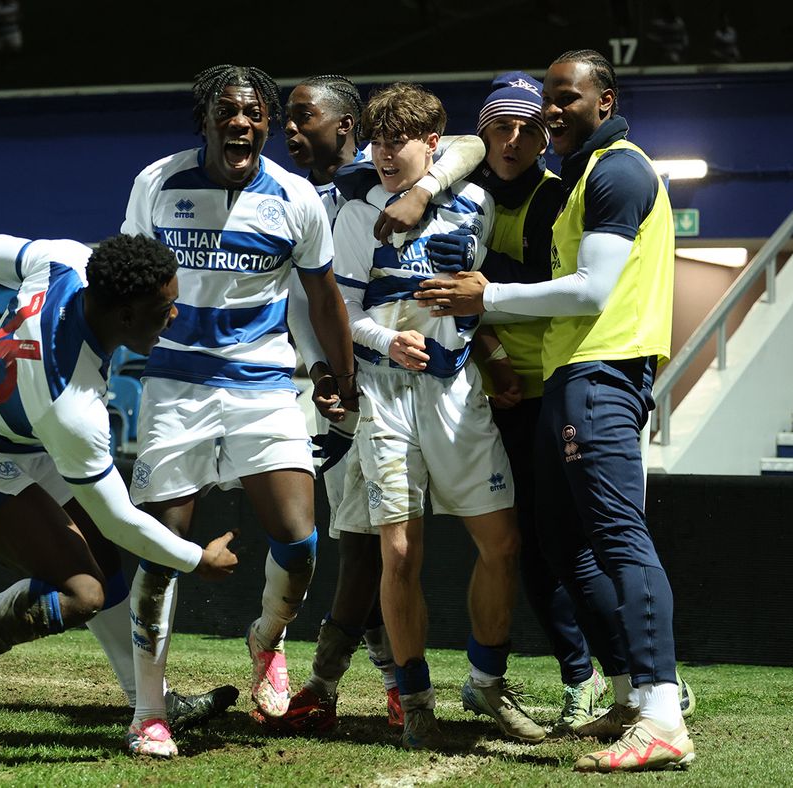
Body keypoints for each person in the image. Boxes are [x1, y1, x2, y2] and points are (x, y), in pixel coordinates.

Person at [415, 49, 694, 771]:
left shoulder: (620, 169)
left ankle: (663, 710)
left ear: (606, 100)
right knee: (564, 545)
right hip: (575, 375)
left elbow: (595, 289)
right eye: (549, 99)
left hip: (602, 372)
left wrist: (490, 299)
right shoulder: (580, 178)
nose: (553, 109)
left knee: (617, 538)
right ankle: (631, 692)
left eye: (568, 97)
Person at [0, 233, 240, 754]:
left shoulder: (67, 261)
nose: (176, 317)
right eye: (164, 309)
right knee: (81, 592)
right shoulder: (72, 405)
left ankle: (151, 701)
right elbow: (119, 519)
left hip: (15, 438)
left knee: (105, 565)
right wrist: (196, 559)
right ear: (126, 316)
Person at [120, 64, 359, 757]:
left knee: (300, 541)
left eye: (256, 113)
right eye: (228, 111)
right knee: (161, 553)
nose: (243, 122)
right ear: (206, 119)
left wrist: (338, 375)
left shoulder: (294, 198)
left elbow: (323, 300)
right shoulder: (156, 183)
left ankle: (266, 641)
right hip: (173, 385)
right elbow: (127, 277)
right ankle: (147, 712)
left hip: (261, 385)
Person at [267, 74, 488, 735]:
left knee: (369, 547)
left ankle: (326, 684)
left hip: (386, 388)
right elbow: (307, 301)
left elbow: (472, 142)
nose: (291, 130)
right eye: (288, 119)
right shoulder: (306, 199)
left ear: (346, 128)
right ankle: (386, 683)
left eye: (303, 117)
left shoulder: (382, 175)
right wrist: (317, 369)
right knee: (357, 541)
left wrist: (423, 190)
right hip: (334, 389)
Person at [333, 81, 536, 749]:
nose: (386, 153)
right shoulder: (358, 208)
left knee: (501, 545)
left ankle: (485, 680)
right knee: (397, 554)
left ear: (431, 143)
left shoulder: (472, 200)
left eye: (400, 141)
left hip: (456, 397)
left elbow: (473, 298)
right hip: (387, 397)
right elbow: (341, 311)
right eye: (378, 141)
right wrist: (385, 340)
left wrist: (488, 334)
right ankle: (414, 698)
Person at [465, 70, 613, 733]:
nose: (516, 137)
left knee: (560, 542)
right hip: (471, 391)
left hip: (546, 391)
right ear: (483, 132)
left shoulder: (561, 195)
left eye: (529, 126)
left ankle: (604, 674)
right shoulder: (458, 196)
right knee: (504, 544)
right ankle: (396, 677)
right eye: (502, 125)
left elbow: (562, 282)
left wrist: (483, 289)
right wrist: (489, 354)